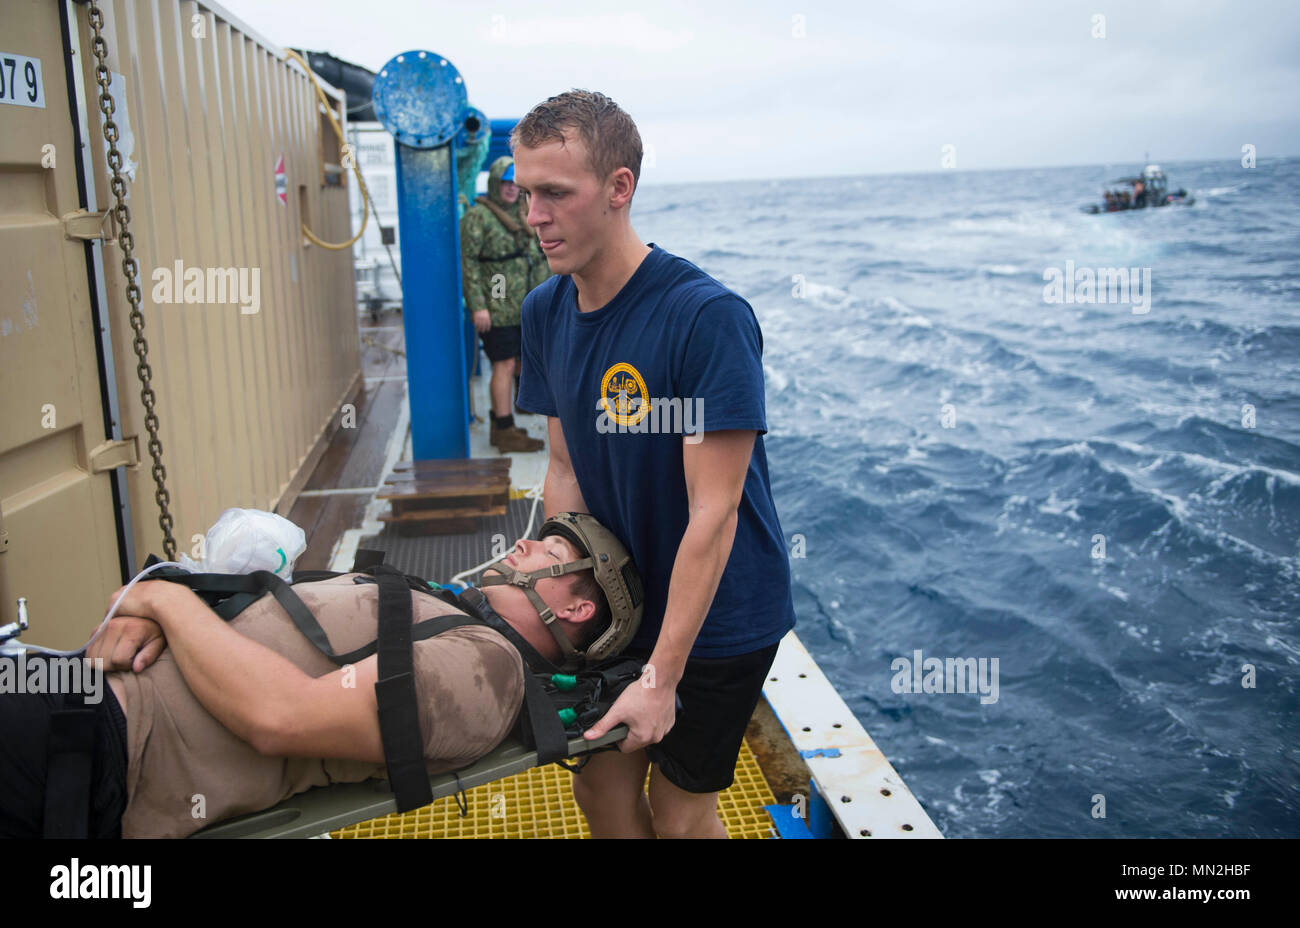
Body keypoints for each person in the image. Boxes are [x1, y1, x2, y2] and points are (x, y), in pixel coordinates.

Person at [512, 89, 797, 839]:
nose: (533, 216)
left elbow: (716, 511)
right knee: (600, 793)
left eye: (555, 194)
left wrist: (661, 678)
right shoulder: (545, 311)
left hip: (719, 617)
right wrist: (554, 592)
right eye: (525, 192)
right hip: (618, 601)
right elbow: (566, 469)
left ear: (618, 188)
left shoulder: (706, 319)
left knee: (679, 815)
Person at [0, 516, 635, 839]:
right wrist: (172, 606)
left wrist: (167, 602)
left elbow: (280, 718)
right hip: (78, 697)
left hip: (102, 745)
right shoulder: (448, 612)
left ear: (575, 610)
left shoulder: (486, 672)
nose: (523, 547)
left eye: (550, 555)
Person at [460, 156, 552, 453]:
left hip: (522, 305)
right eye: (505, 183)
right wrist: (478, 306)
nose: (511, 189)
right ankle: (504, 428)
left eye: (515, 184)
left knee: (524, 359)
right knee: (504, 363)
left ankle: (519, 405)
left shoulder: (524, 213)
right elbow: (469, 263)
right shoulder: (479, 217)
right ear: (494, 184)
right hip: (496, 307)